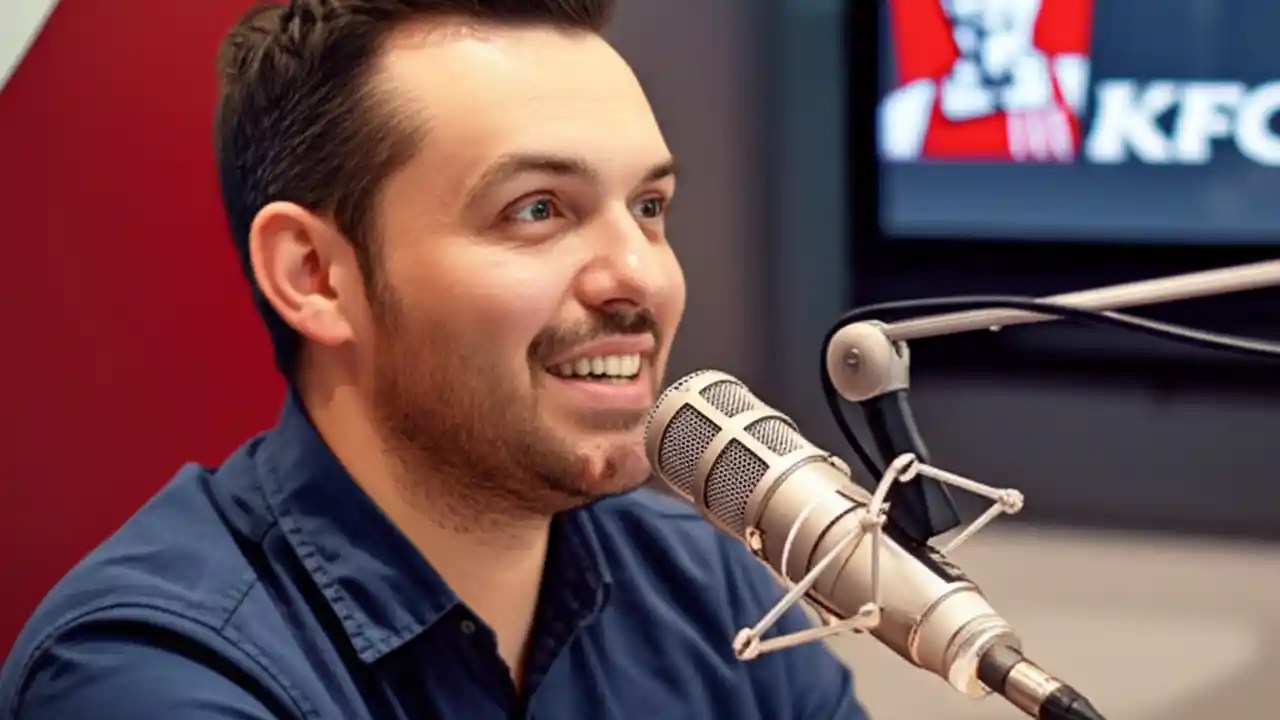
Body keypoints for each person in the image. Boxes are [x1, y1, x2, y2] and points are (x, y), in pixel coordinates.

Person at [0, 1, 868, 717]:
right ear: (315, 276)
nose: (639, 276)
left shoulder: (707, 592)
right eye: (536, 209)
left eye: (648, 205)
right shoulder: (150, 670)